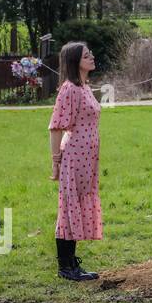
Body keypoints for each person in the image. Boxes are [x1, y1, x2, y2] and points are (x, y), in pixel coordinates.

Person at [47, 41, 103, 281]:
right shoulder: (69, 89)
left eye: (91, 54)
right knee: (69, 209)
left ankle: (72, 264)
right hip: (74, 156)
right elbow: (55, 127)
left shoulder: (85, 87)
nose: (92, 58)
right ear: (75, 62)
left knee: (77, 207)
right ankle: (65, 267)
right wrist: (55, 162)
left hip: (88, 158)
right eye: (86, 56)